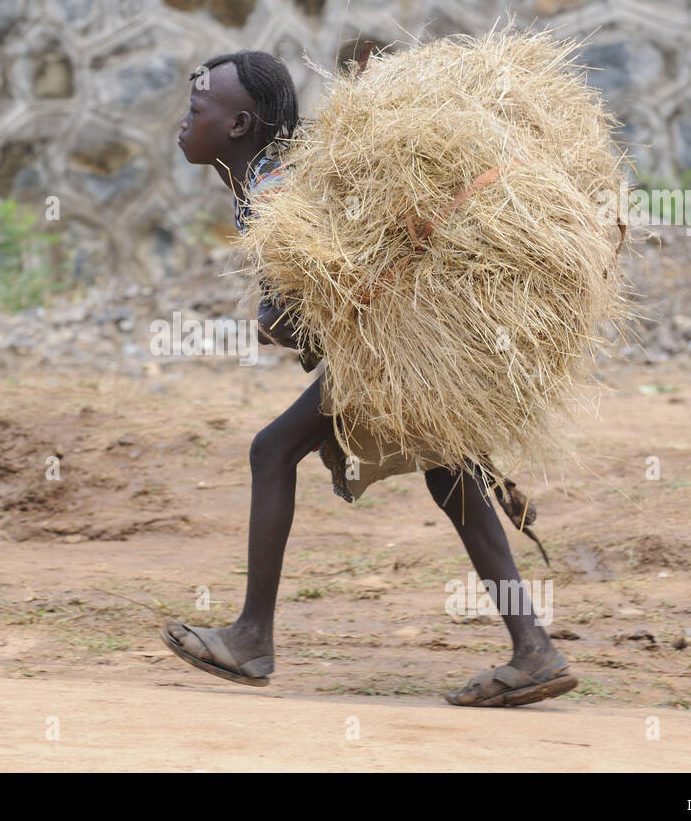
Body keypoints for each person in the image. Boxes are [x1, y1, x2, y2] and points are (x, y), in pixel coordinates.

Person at [162, 49, 576, 706]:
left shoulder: (276, 195)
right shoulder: (269, 185)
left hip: (391, 350)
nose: (182, 122)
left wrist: (271, 320)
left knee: (273, 450)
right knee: (448, 471)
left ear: (239, 125)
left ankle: (252, 637)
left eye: (195, 109)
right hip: (400, 346)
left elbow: (307, 315)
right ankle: (533, 648)